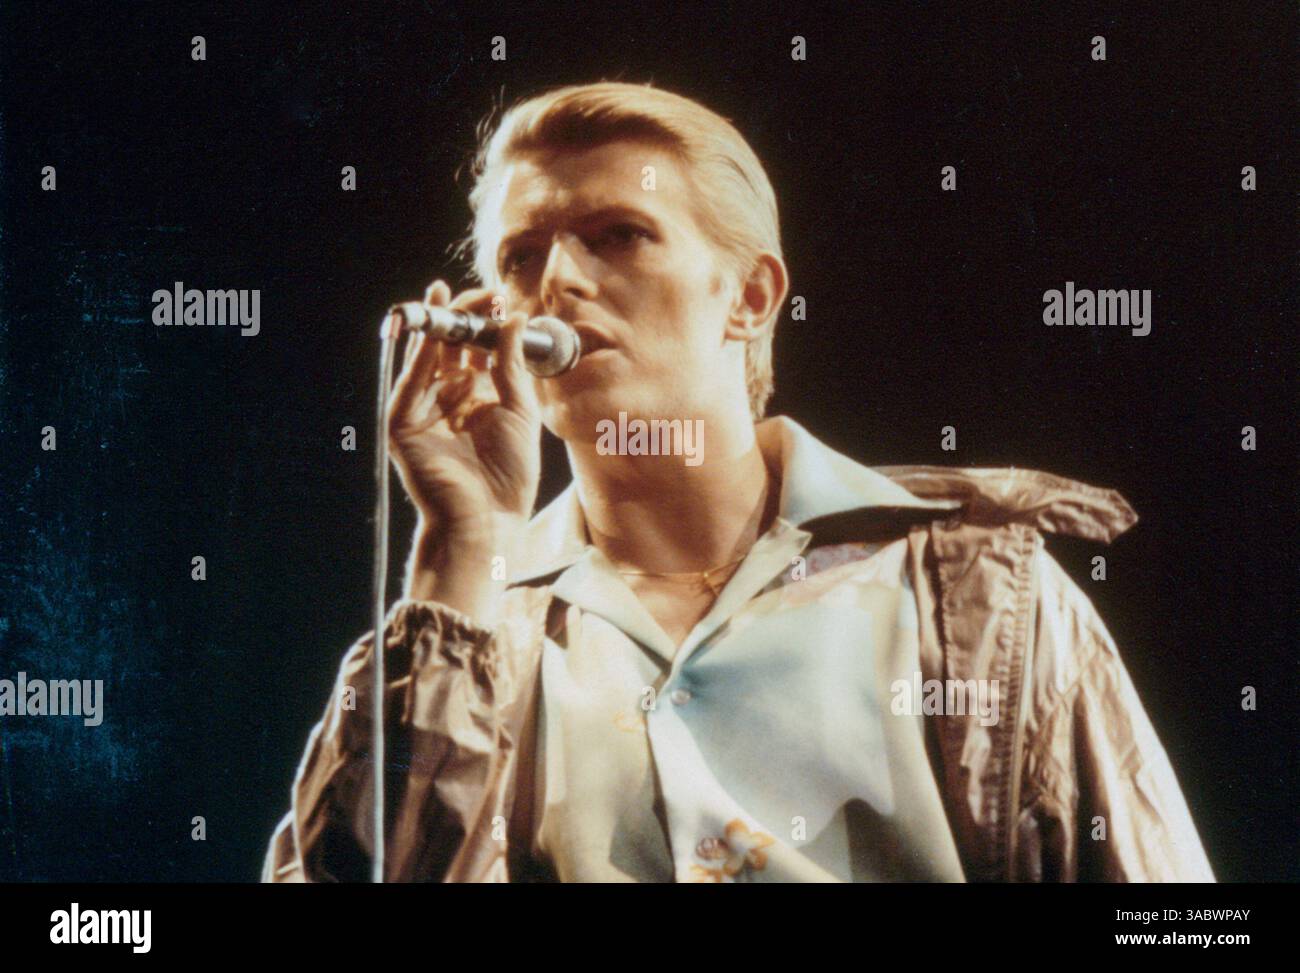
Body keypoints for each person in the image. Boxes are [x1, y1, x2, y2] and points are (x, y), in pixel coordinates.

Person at [263, 81, 1214, 883]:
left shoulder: (985, 600)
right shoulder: (469, 638)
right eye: (520, 256)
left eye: (619, 233)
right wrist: (462, 548)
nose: (556, 280)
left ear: (749, 297)